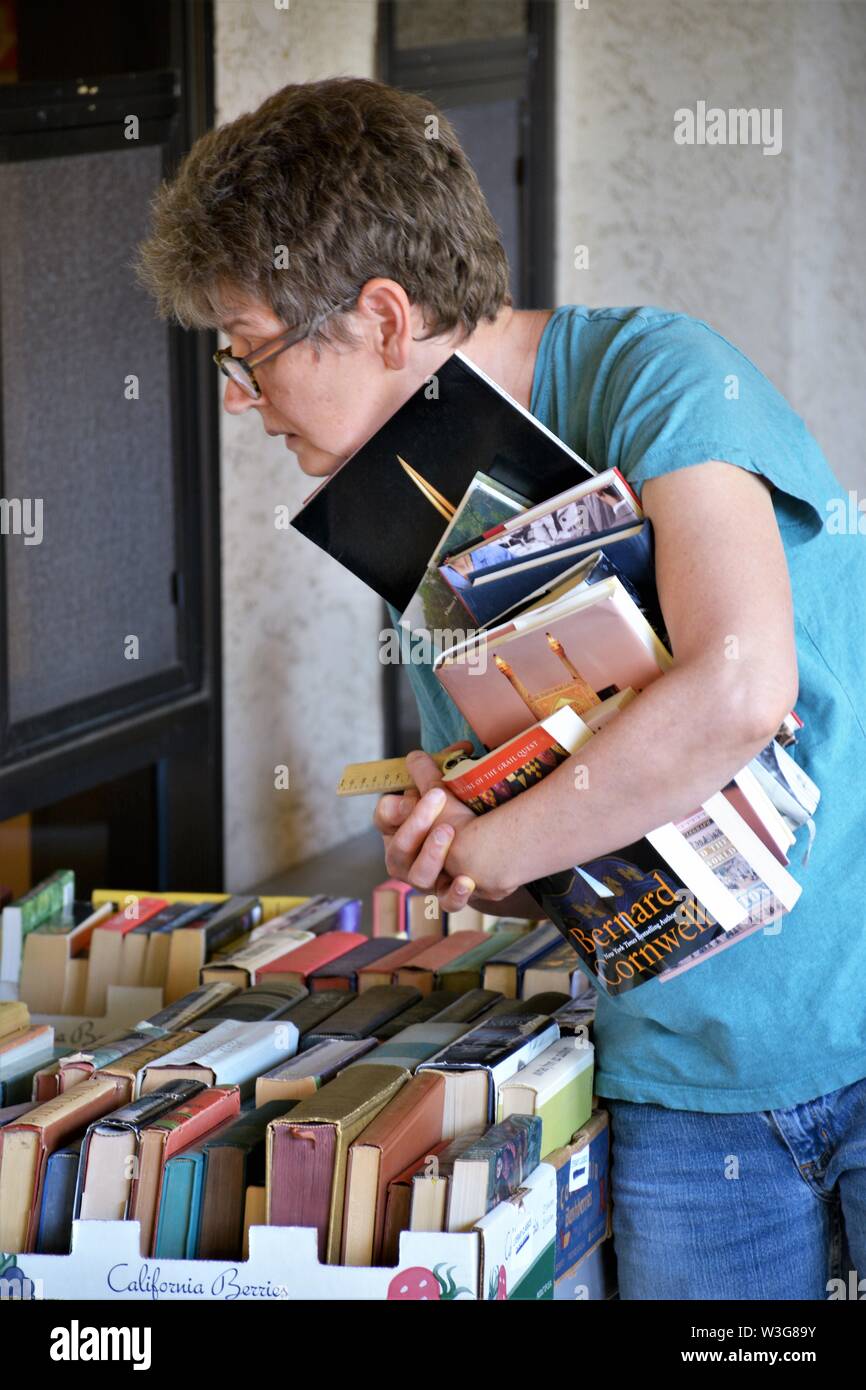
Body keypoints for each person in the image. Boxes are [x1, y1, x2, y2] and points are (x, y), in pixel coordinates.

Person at [136, 76, 866, 1300]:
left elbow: (738, 689)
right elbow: (563, 861)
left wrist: (497, 834)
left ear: (378, 316)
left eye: (249, 353)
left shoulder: (656, 372)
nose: (235, 398)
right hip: (678, 1085)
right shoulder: (409, 514)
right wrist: (459, 835)